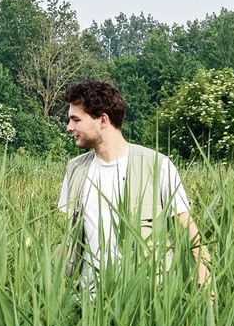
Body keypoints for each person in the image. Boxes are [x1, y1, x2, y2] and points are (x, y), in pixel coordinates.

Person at [58, 80, 210, 289]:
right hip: (87, 302)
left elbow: (188, 232)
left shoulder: (158, 166)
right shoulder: (74, 169)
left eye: (75, 119)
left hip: (146, 299)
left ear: (103, 120)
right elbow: (70, 241)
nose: (69, 128)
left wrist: (206, 281)